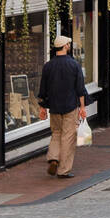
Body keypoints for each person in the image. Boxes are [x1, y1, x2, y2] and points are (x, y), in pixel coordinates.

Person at [38, 34, 87, 177]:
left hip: (54, 107)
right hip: (70, 106)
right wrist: (82, 107)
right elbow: (80, 89)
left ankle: (53, 157)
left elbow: (43, 89)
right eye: (68, 44)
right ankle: (64, 170)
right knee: (68, 137)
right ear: (65, 46)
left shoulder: (48, 66)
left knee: (56, 133)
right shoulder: (74, 64)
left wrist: (42, 107)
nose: (69, 46)